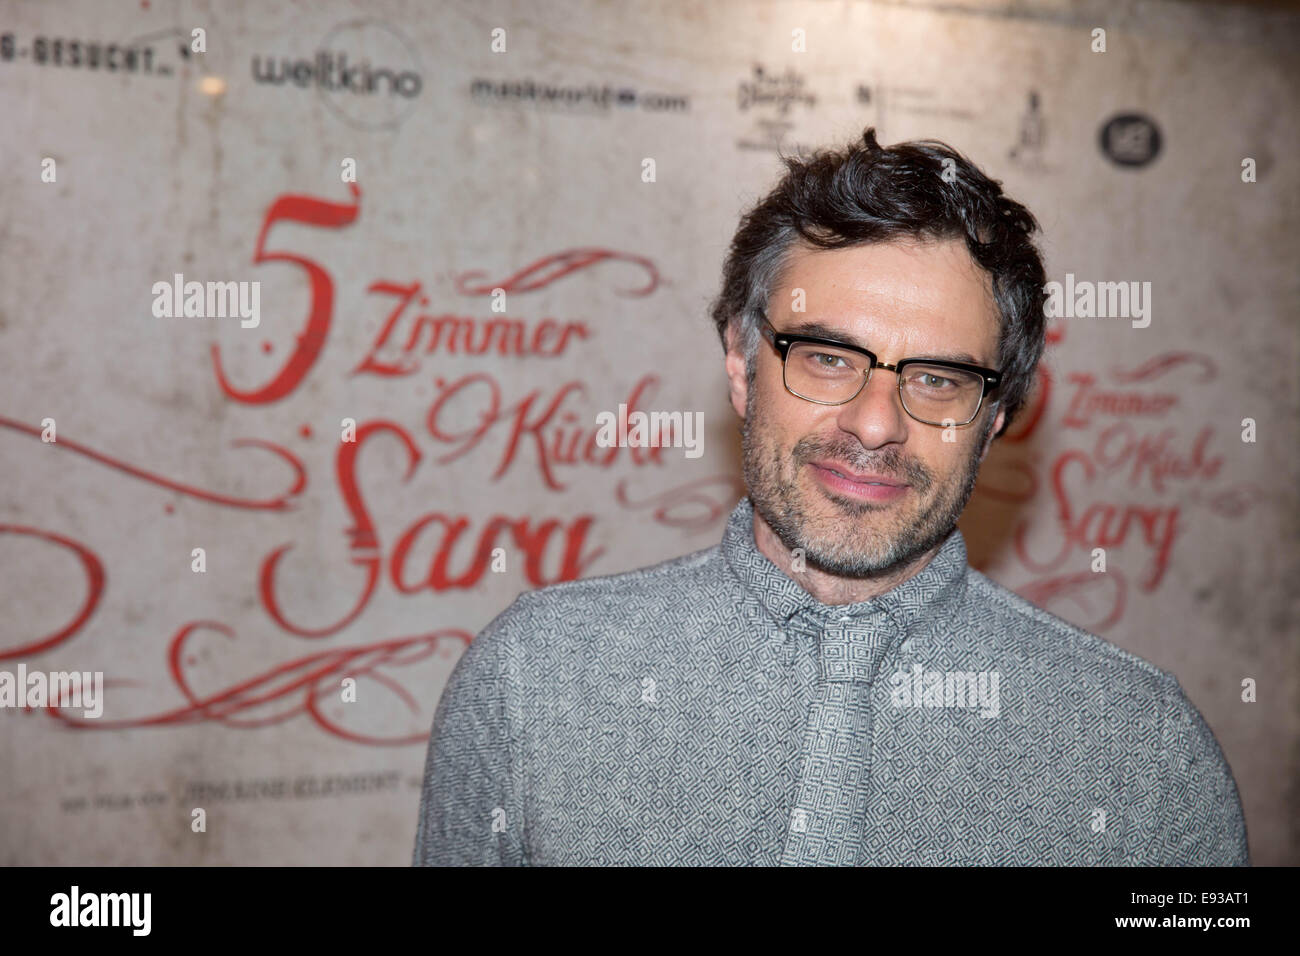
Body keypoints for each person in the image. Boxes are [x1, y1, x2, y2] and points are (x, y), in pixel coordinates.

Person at [412, 127, 1249, 866]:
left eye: (938, 376)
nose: (877, 423)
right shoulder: (532, 676)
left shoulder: (1142, 749)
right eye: (827, 357)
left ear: (994, 419)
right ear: (742, 365)